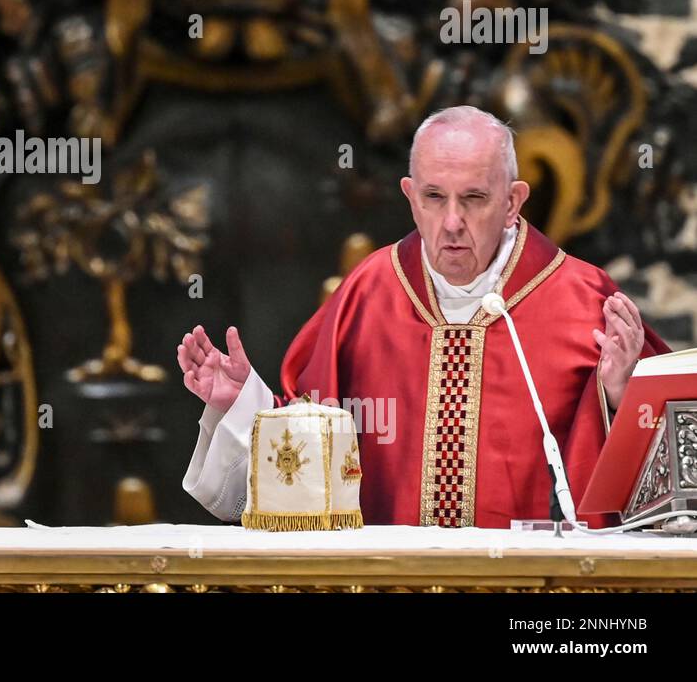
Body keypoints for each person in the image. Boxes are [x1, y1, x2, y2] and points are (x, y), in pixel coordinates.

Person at [179, 106, 670, 528]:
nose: (452, 222)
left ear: (512, 202)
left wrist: (623, 395)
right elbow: (307, 450)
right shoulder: (367, 295)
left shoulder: (584, 302)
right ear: (410, 196)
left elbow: (673, 478)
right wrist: (240, 405)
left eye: (474, 198)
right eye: (434, 198)